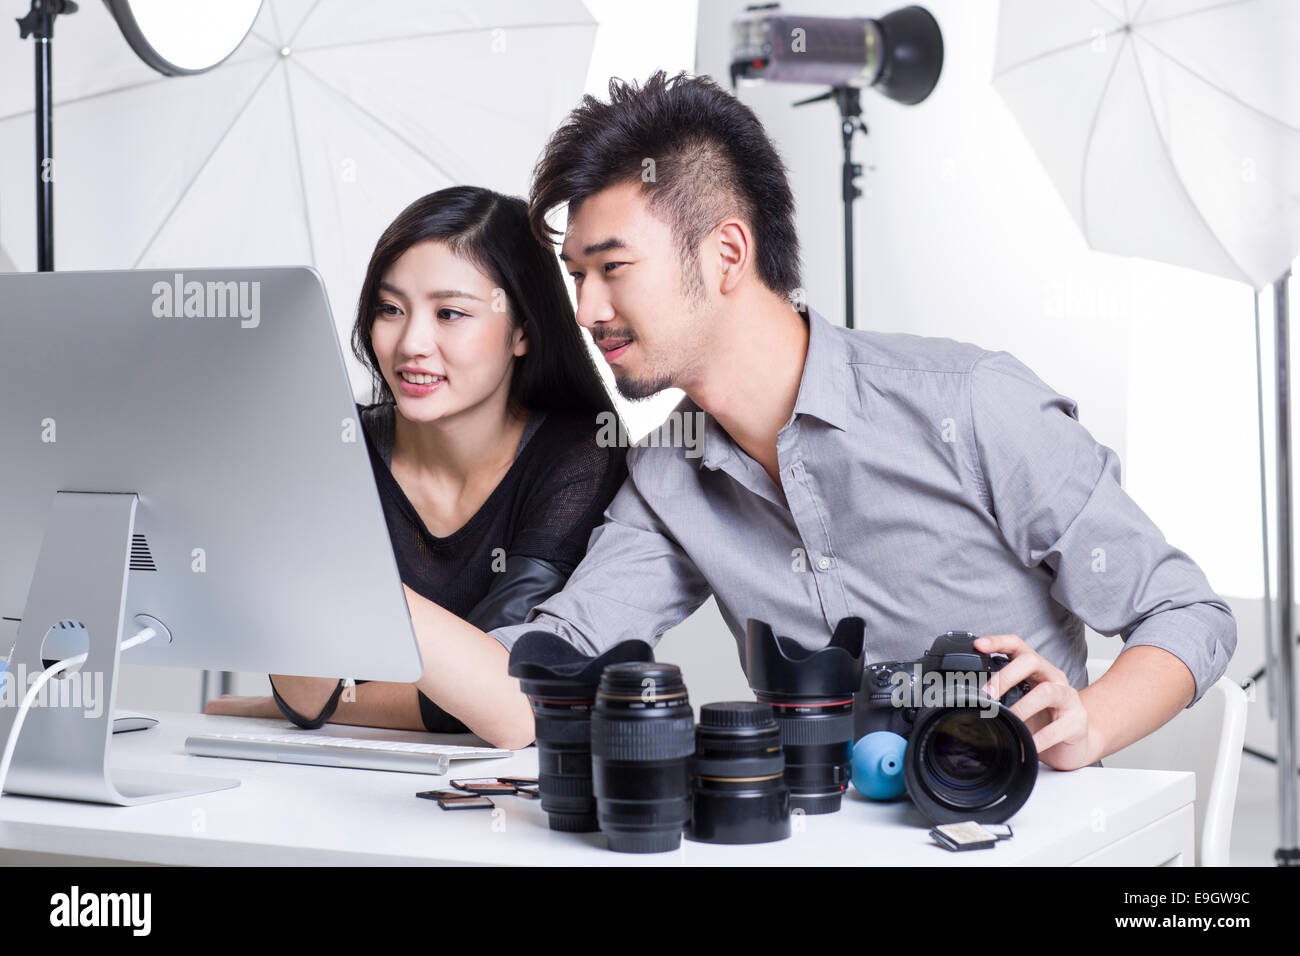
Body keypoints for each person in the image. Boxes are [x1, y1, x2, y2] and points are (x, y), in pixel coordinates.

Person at [415, 71, 1237, 769]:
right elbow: (549, 669)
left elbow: (1188, 611)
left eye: (614, 269)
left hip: (1020, 826)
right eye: (576, 276)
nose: (588, 310)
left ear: (727, 254)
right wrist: (371, 599)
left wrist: (1087, 725)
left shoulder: (970, 402)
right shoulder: (670, 469)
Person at [205, 186, 625, 747]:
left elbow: (505, 701)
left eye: (449, 313)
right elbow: (307, 697)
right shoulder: (333, 445)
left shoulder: (579, 455)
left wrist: (299, 705)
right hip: (337, 791)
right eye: (389, 309)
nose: (411, 343)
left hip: (501, 805)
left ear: (522, 328)